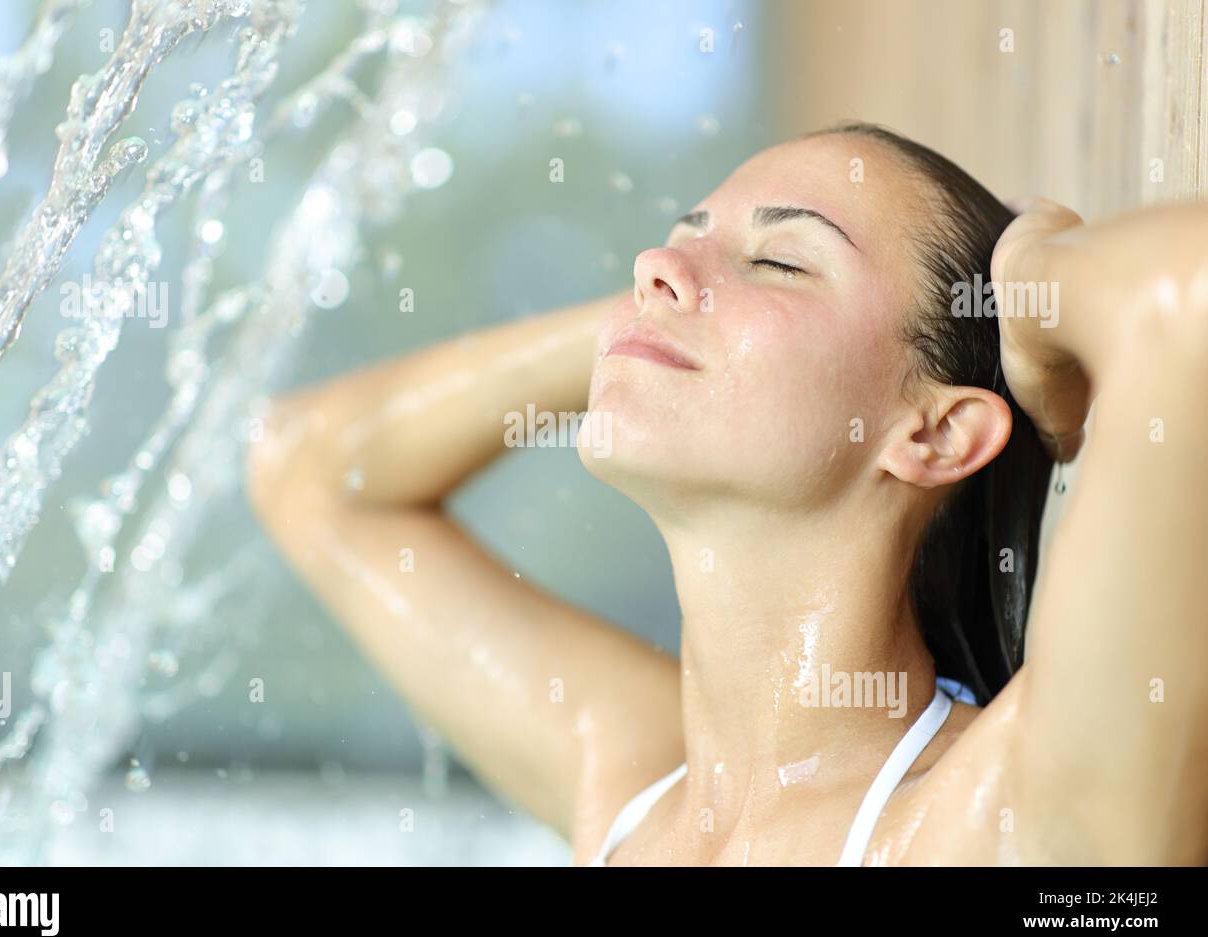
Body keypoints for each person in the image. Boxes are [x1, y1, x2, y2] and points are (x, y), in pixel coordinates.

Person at [245, 122, 1208, 865]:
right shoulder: (632, 792)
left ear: (937, 433)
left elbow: (1185, 293)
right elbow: (309, 471)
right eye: (675, 239)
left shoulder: (1008, 818)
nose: (651, 267)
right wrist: (646, 326)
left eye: (782, 263)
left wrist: (1034, 288)